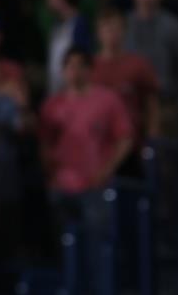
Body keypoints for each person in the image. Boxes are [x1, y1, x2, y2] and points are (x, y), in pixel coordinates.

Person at [39, 47, 134, 217]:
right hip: (61, 186)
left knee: (96, 239)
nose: (74, 71)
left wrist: (107, 169)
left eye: (80, 66)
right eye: (70, 66)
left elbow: (125, 138)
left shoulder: (108, 100)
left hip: (96, 186)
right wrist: (50, 174)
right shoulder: (52, 105)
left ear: (90, 69)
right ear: (63, 71)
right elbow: (44, 143)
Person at [90, 8, 160, 148]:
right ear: (98, 33)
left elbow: (152, 106)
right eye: (106, 28)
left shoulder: (139, 65)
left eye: (116, 28)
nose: (111, 33)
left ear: (124, 31)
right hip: (97, 143)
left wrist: (152, 138)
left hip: (132, 142)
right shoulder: (89, 67)